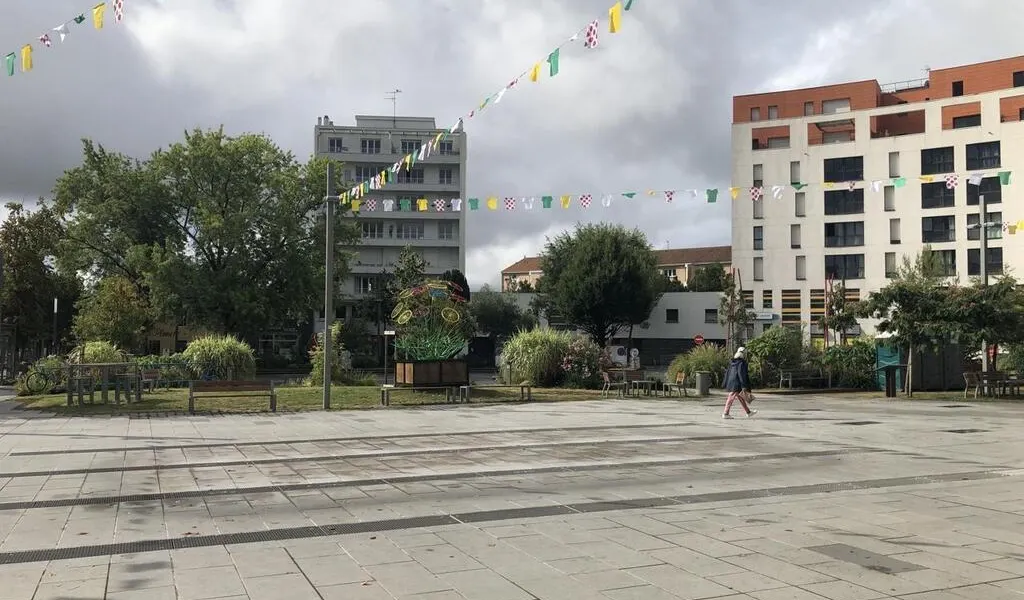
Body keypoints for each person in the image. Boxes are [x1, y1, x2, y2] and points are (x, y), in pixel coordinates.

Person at [722, 346, 756, 419]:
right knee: (731, 397)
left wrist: (725, 382)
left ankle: (748, 412)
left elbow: (728, 373)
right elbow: (741, 374)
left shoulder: (732, 363)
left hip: (732, 382)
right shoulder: (741, 363)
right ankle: (726, 413)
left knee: (741, 397)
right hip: (737, 383)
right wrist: (744, 385)